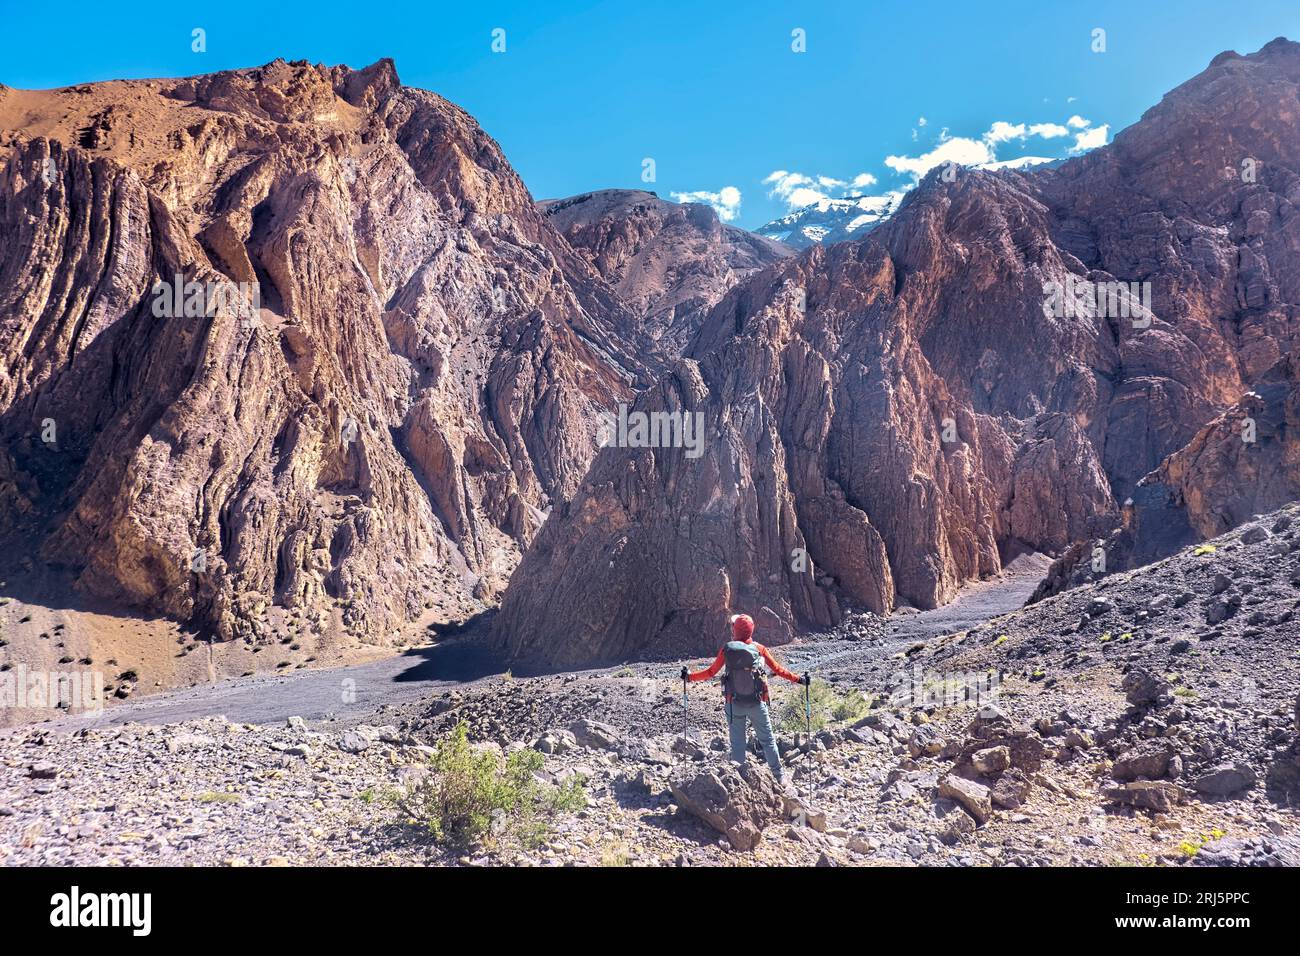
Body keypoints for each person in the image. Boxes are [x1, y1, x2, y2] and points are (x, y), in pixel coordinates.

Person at [681, 613, 808, 783]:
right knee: (768, 740)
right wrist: (799, 680)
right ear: (751, 630)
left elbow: (711, 672)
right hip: (757, 703)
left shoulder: (727, 649)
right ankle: (779, 777)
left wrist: (690, 677)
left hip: (733, 703)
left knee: (738, 743)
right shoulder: (759, 649)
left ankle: (739, 781)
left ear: (735, 630)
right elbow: (778, 670)